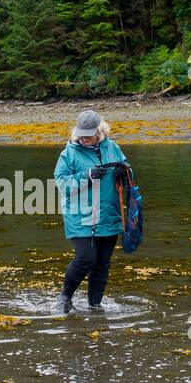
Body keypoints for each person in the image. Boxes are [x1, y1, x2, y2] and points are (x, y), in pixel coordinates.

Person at [52, 110, 130, 313]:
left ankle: (95, 305)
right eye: (82, 134)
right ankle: (64, 298)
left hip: (109, 213)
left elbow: (129, 173)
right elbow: (62, 183)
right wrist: (87, 175)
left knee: (102, 263)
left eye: (88, 135)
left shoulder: (112, 147)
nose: (84, 139)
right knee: (86, 258)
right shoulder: (68, 153)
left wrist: (125, 171)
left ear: (99, 131)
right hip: (80, 215)